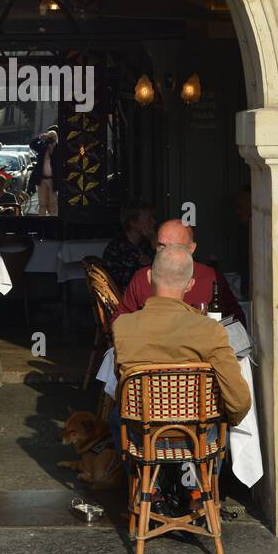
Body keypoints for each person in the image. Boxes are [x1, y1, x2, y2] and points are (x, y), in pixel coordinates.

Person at [113, 246, 251, 511]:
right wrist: (226, 420)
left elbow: (122, 390)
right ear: (189, 285)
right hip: (198, 437)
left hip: (143, 436)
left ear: (150, 277)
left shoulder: (123, 327)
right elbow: (239, 398)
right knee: (217, 415)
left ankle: (150, 490)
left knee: (119, 413)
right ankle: (199, 493)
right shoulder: (210, 330)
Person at [111, 219, 246, 326]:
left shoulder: (211, 277)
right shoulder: (142, 277)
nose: (166, 253)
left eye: (175, 247)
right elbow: (118, 322)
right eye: (161, 246)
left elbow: (237, 320)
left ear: (191, 248)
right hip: (152, 356)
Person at [102, 200, 156, 292]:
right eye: (149, 219)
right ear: (134, 223)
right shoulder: (118, 248)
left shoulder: (145, 245)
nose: (154, 222)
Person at [28, 127, 62, 216]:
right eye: (49, 137)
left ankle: (53, 220)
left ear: (56, 138)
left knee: (53, 203)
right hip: (42, 179)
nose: (50, 139)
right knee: (42, 202)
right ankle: (41, 220)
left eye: (52, 137)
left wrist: (53, 145)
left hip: (53, 180)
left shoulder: (59, 149)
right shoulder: (43, 147)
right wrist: (40, 137)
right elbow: (32, 145)